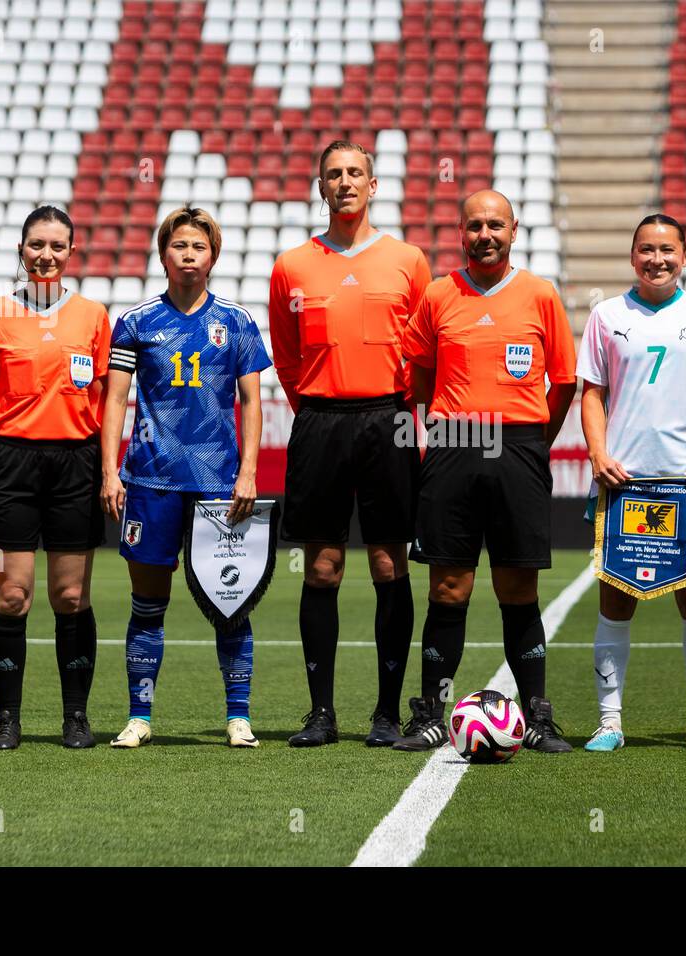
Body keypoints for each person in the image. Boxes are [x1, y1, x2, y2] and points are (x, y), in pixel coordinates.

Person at [392, 189, 578, 754]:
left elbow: (564, 382)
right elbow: (419, 374)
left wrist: (530, 442)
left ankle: (538, 714)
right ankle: (429, 711)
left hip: (520, 446)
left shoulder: (541, 295)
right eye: (475, 225)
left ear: (514, 230)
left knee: (518, 586)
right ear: (461, 232)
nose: (485, 235)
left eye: (496, 225)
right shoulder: (438, 295)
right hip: (452, 446)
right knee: (448, 588)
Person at [268, 141, 432, 747]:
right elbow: (285, 355)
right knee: (323, 567)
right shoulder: (291, 265)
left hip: (388, 420)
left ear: (373, 183)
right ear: (320, 186)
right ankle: (321, 712)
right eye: (333, 174)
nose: (344, 182)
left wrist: (399, 410)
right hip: (320, 423)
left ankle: (387, 712)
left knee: (389, 563)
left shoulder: (408, 260)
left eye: (354, 173)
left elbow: (423, 350)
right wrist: (315, 405)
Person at [101, 206, 271, 749]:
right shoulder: (135, 322)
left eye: (199, 247)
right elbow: (115, 399)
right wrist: (110, 471)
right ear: (164, 254)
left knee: (231, 602)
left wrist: (248, 471)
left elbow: (251, 400)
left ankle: (237, 716)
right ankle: (139, 716)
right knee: (147, 603)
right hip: (150, 481)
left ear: (213, 256)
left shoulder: (239, 322)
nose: (189, 255)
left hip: (218, 483)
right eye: (180, 247)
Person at [577, 214, 686, 753]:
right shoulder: (606, 316)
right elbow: (593, 394)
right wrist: (598, 453)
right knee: (615, 604)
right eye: (646, 250)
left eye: (668, 250)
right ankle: (609, 722)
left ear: (685, 256)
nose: (657, 260)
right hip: (622, 485)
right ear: (632, 256)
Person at [0, 205, 111, 750]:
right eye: (36, 245)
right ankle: (7, 718)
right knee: (12, 597)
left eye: (57, 246)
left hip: (75, 464)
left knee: (70, 596)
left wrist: (108, 470)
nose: (46, 255)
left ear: (72, 252)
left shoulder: (93, 316)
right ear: (21, 250)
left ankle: (76, 717)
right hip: (10, 468)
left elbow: (107, 401)